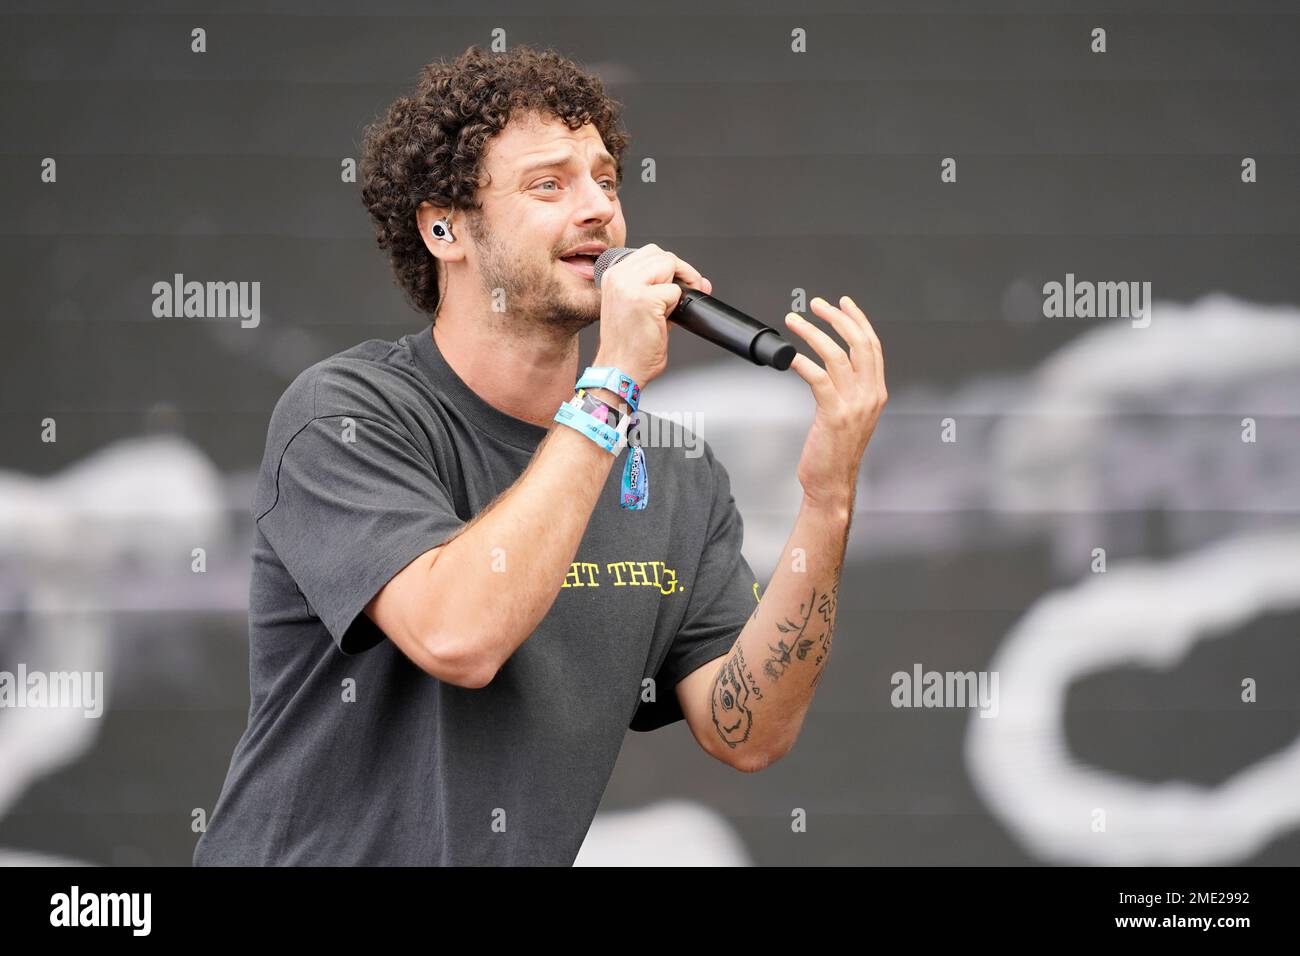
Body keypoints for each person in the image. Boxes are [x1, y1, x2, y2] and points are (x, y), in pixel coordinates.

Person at [194, 44, 887, 866]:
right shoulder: (345, 415)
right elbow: (459, 637)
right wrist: (615, 380)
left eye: (606, 180)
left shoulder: (675, 475)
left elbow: (748, 729)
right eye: (549, 184)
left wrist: (828, 500)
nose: (597, 208)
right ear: (443, 226)